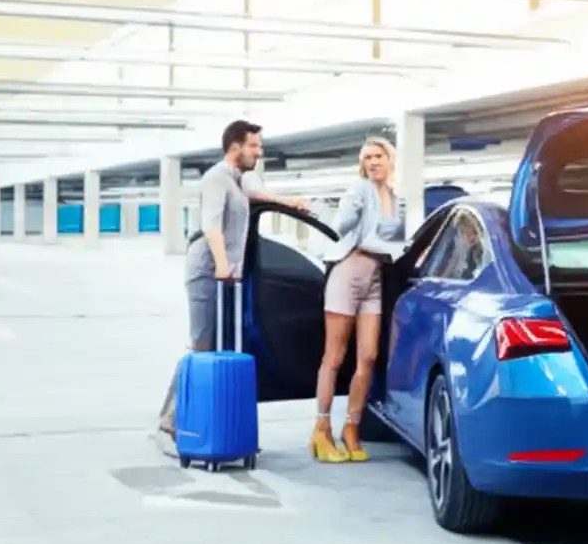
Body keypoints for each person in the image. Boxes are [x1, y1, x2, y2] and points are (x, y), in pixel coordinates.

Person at [153, 119, 309, 458]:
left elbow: (254, 197)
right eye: (254, 146)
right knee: (202, 345)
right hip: (206, 270)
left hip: (225, 274)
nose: (259, 152)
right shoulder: (215, 179)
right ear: (235, 146)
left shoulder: (237, 181)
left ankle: (209, 423)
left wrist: (288, 202)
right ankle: (169, 424)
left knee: (219, 347)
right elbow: (211, 225)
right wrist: (222, 263)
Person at [311, 136, 404, 463]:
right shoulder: (358, 190)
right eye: (367, 158)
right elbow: (340, 225)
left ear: (390, 160)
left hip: (375, 277)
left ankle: (352, 426)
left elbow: (399, 239)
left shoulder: (394, 196)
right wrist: (349, 210)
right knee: (334, 357)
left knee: (368, 356)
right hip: (348, 272)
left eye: (379, 156)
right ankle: (322, 429)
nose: (373, 162)